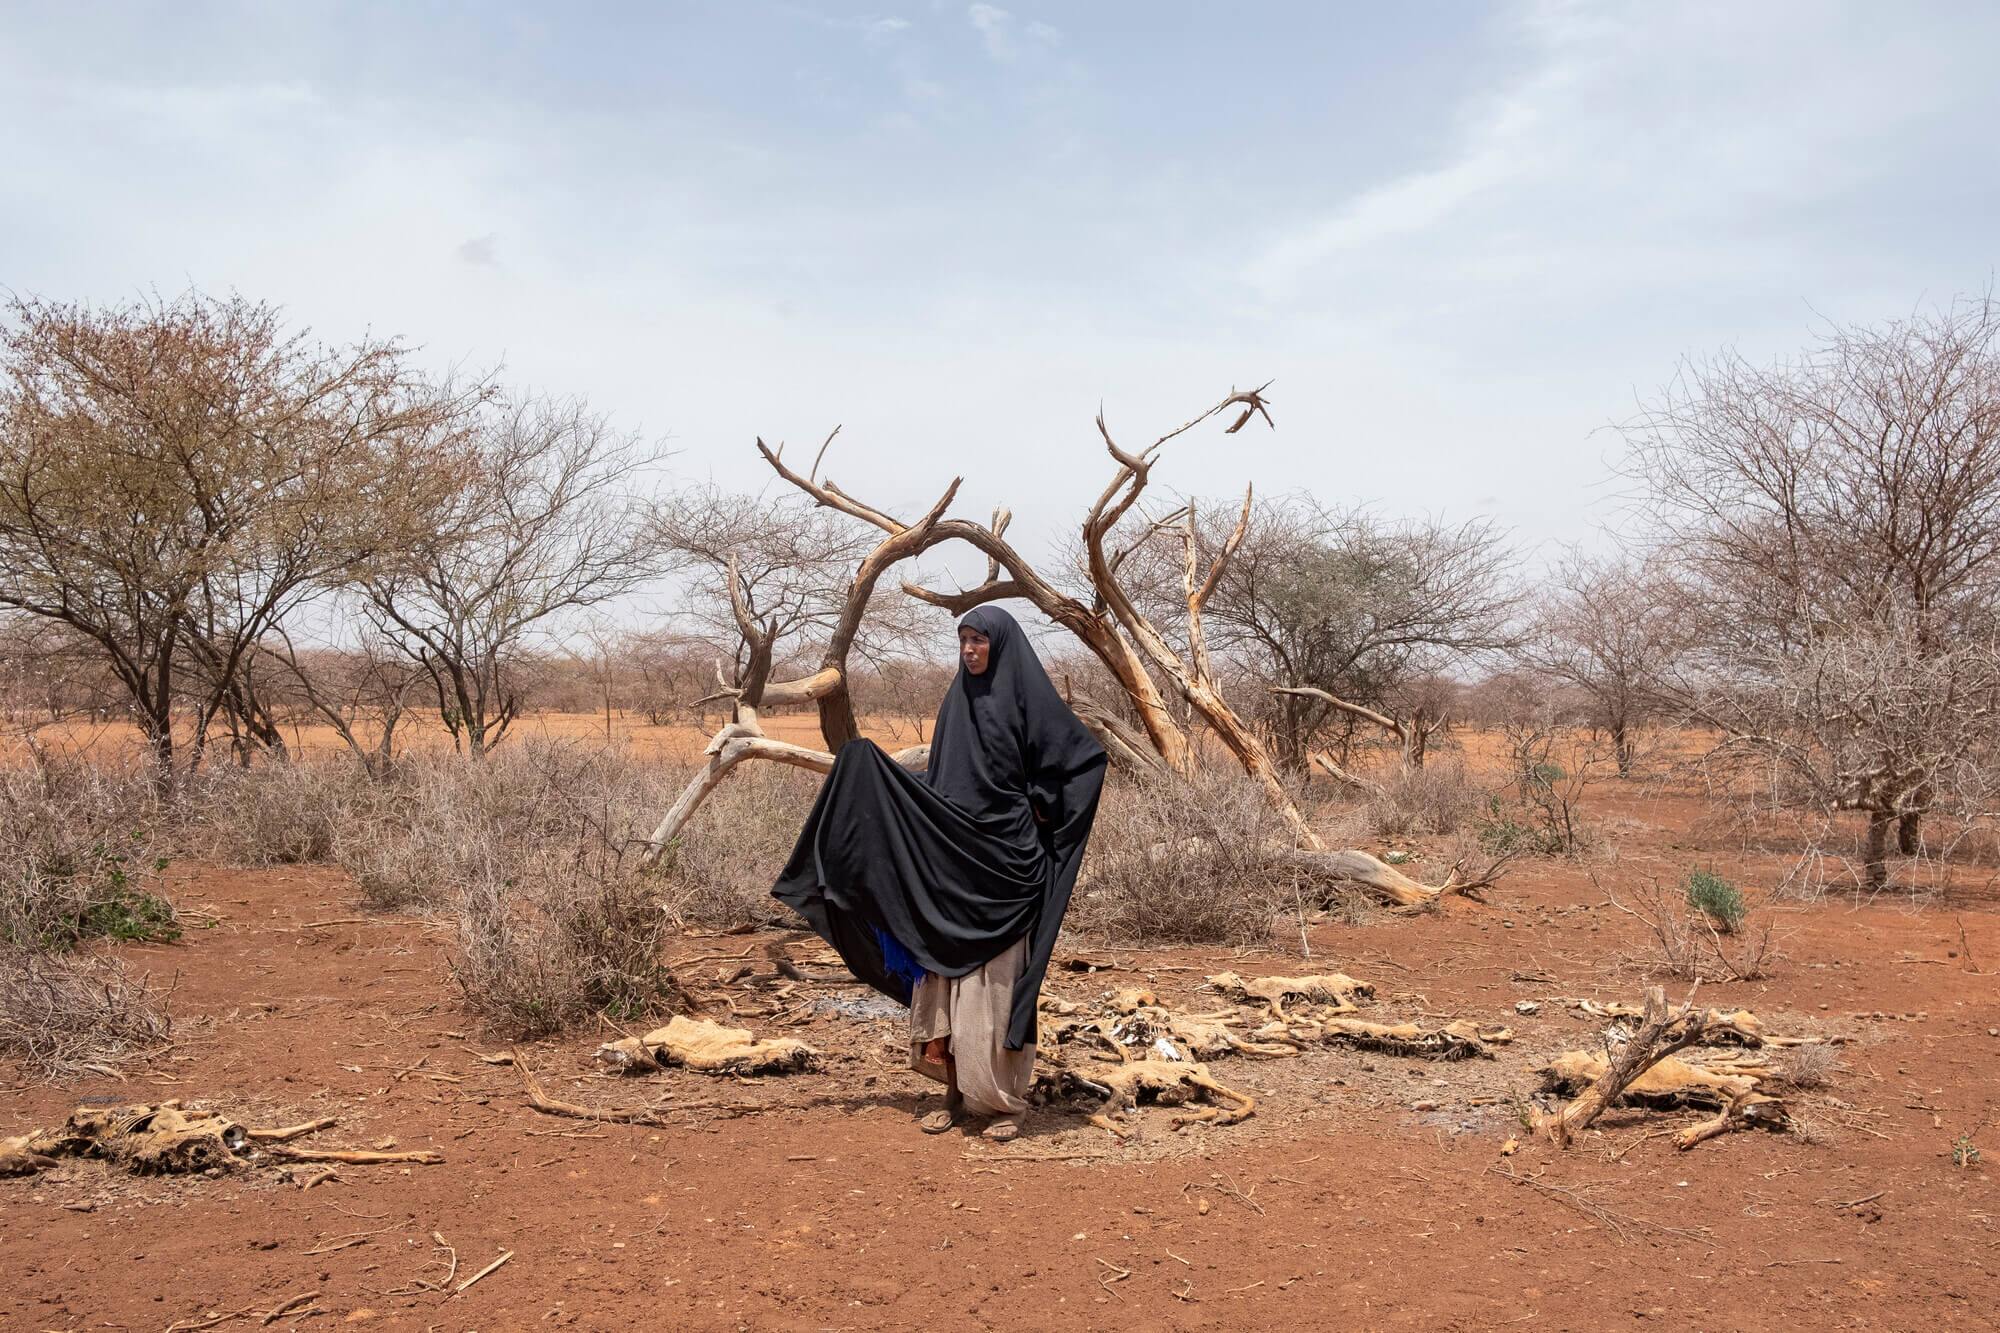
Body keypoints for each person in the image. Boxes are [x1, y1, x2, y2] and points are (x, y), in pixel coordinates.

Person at [771, 606, 1106, 1140]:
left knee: (993, 987)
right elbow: (948, 777)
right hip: (950, 860)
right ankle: (951, 1093)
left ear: (1001, 644)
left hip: (1005, 868)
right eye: (963, 640)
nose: (970, 649)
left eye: (979, 641)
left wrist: (1040, 804)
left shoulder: (1028, 701)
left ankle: (1003, 1104)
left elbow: (1083, 763)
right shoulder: (956, 702)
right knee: (941, 979)